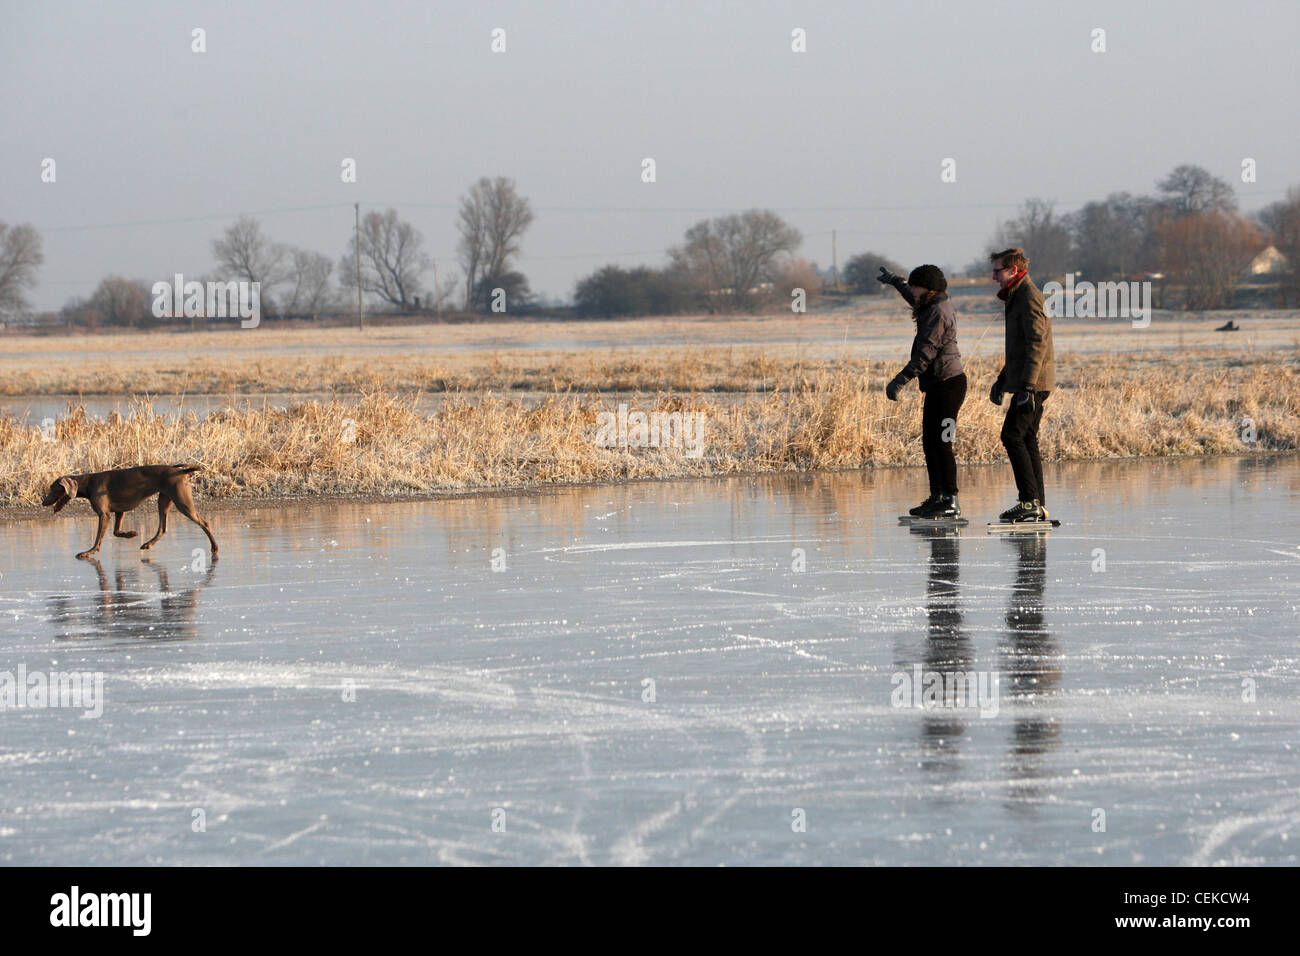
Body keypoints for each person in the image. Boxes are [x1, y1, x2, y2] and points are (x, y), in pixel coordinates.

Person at [878, 264, 967, 518]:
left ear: (928, 288)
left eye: (916, 285)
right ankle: (937, 496)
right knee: (930, 442)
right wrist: (896, 281)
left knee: (942, 443)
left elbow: (925, 354)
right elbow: (911, 295)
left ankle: (950, 499)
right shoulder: (931, 304)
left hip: (949, 385)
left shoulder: (938, 313)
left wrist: (899, 380)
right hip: (938, 385)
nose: (913, 290)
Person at [988, 247, 1055, 521]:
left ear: (1013, 270)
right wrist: (1002, 381)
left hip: (1034, 383)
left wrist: (1027, 386)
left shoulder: (1028, 296)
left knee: (1012, 435)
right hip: (1029, 381)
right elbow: (1019, 349)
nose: (994, 277)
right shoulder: (1017, 296)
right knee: (1026, 438)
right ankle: (1036, 503)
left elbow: (1037, 343)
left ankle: (1029, 502)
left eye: (997, 270)